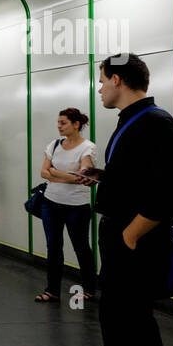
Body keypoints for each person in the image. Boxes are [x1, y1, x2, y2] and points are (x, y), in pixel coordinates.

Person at [88, 54, 173, 346]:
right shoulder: (133, 121)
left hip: (135, 247)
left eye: (102, 81)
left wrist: (129, 235)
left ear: (118, 79)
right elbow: (136, 179)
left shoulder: (155, 124)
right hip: (125, 241)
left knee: (128, 332)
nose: (100, 89)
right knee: (129, 332)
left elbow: (164, 194)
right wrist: (102, 178)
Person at [36, 108, 98, 303]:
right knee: (53, 247)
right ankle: (52, 290)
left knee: (80, 247)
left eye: (63, 122)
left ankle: (89, 288)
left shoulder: (87, 148)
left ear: (76, 124)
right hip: (50, 203)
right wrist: (65, 176)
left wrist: (55, 173)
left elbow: (83, 177)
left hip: (76, 206)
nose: (59, 126)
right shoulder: (54, 145)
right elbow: (43, 172)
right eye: (58, 122)